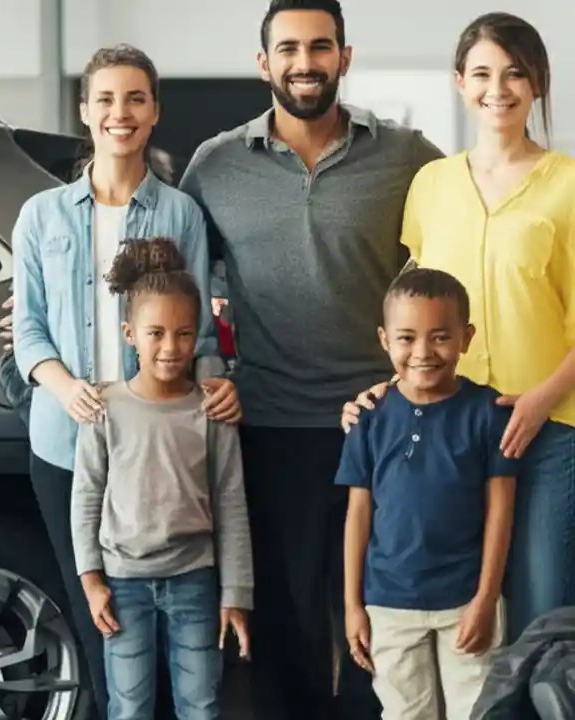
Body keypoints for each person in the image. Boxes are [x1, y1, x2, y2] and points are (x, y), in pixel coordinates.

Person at [176, 1, 443, 717]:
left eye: (320, 47)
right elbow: (180, 282)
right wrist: (208, 368)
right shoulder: (216, 164)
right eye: (288, 48)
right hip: (271, 423)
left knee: (382, 620)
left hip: (387, 427)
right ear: (263, 63)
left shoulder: (408, 156)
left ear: (344, 58)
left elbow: (456, 259)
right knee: (285, 626)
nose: (304, 62)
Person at [10, 43, 241, 717]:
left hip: (164, 451)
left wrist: (217, 380)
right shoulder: (41, 217)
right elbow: (27, 330)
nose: (121, 112)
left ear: (155, 111)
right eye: (106, 99)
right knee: (98, 621)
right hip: (66, 443)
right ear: (85, 112)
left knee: (181, 638)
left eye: (135, 99)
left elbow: (199, 335)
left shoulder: (180, 214)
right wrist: (61, 385)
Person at [339, 11, 575, 645]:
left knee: (542, 612)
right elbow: (416, 304)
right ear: (459, 83)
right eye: (482, 73)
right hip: (447, 428)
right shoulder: (431, 184)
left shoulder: (570, 185)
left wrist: (542, 399)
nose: (497, 88)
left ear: (537, 85)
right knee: (463, 611)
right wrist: (389, 386)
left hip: (549, 430)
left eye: (515, 73)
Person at [71, 237, 253, 719]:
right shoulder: (104, 408)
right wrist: (91, 579)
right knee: (129, 706)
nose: (171, 347)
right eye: (156, 333)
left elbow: (231, 501)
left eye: (184, 334)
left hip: (195, 578)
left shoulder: (211, 412)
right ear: (131, 333)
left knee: (202, 704)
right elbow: (86, 495)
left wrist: (235, 594)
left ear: (198, 335)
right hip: (123, 583)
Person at [336, 268, 517, 719]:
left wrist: (486, 598)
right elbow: (358, 516)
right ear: (384, 339)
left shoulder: (487, 413)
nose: (422, 352)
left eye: (439, 337)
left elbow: (500, 513)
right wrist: (353, 606)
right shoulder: (369, 419)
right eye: (406, 338)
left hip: (465, 601)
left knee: (476, 712)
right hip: (389, 604)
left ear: (466, 337)